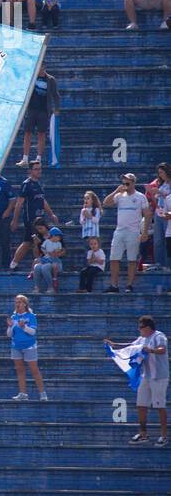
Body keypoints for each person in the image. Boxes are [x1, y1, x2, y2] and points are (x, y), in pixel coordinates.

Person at [108, 316, 168, 446]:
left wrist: (151, 350)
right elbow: (131, 346)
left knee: (159, 406)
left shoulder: (159, 336)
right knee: (141, 405)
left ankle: (163, 435)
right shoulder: (142, 339)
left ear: (147, 327)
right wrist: (115, 345)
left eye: (141, 327)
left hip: (159, 376)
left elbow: (162, 350)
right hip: (146, 376)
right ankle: (143, 434)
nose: (139, 329)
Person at [104, 174, 150, 292]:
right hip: (119, 230)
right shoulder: (119, 196)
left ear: (133, 183)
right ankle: (114, 285)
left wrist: (144, 232)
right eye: (124, 183)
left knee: (132, 259)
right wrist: (116, 191)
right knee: (114, 258)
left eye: (127, 183)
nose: (125, 185)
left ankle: (129, 285)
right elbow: (106, 203)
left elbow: (147, 214)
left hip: (133, 231)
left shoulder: (140, 197)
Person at [7, 294, 47, 402]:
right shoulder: (13, 317)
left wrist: (24, 326)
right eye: (16, 302)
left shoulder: (31, 316)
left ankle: (42, 394)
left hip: (29, 346)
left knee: (34, 370)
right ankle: (23, 393)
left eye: (19, 302)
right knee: (20, 370)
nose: (17, 304)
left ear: (25, 304)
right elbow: (9, 335)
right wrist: (10, 327)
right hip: (16, 346)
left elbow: (33, 332)